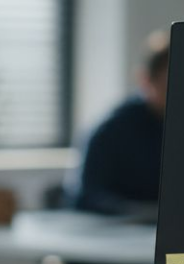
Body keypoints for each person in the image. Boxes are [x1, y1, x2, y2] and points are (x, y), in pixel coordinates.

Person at [65, 31, 169, 219]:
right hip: (117, 232)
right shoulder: (111, 129)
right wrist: (142, 212)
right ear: (146, 80)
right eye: (166, 85)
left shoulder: (182, 131)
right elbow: (85, 196)